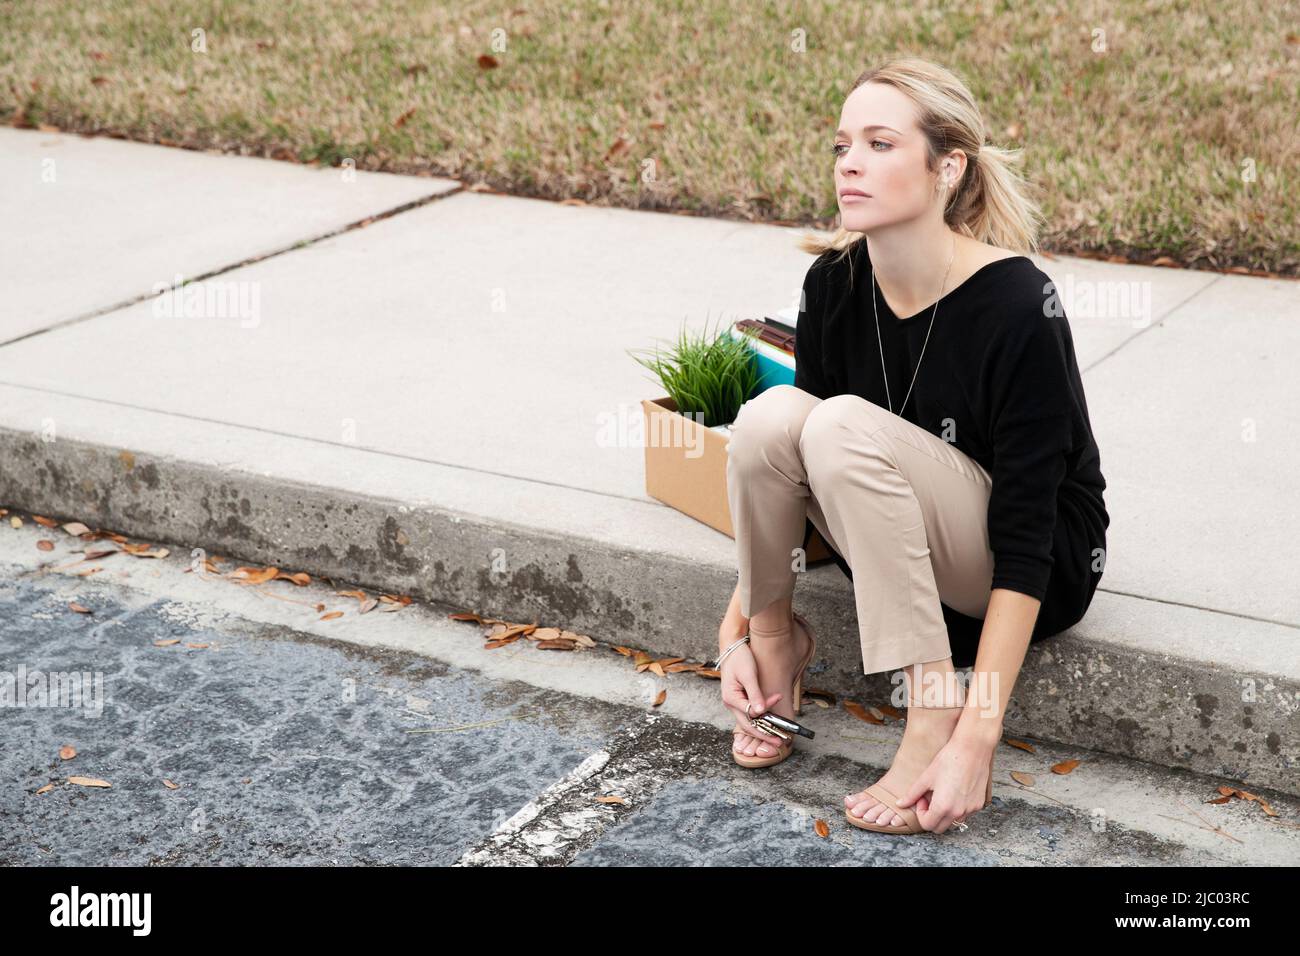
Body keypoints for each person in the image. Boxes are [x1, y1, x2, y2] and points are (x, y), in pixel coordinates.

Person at [717, 57, 1108, 835]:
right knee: (771, 417)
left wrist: (979, 734)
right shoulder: (834, 283)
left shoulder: (1018, 305)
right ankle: (778, 649)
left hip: (1021, 569)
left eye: (880, 143)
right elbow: (792, 464)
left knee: (835, 422)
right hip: (895, 551)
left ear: (947, 167)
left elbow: (1027, 535)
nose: (849, 163)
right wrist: (740, 626)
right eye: (841, 146)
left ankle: (934, 711)